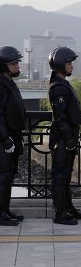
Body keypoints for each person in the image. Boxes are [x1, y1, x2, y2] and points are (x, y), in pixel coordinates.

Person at [48, 47, 81, 225]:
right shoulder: (57, 88)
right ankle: (60, 213)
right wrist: (69, 139)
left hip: (68, 137)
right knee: (60, 176)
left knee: (66, 175)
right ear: (60, 64)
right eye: (69, 63)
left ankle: (68, 207)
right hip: (63, 139)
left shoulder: (63, 84)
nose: (71, 66)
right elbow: (60, 117)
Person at [0, 46, 26, 226]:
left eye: (17, 62)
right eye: (13, 63)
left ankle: (5, 210)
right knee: (3, 177)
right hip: (4, 139)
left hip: (13, 135)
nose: (17, 66)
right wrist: (5, 138)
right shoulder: (1, 84)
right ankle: (1, 214)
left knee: (9, 176)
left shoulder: (8, 82)